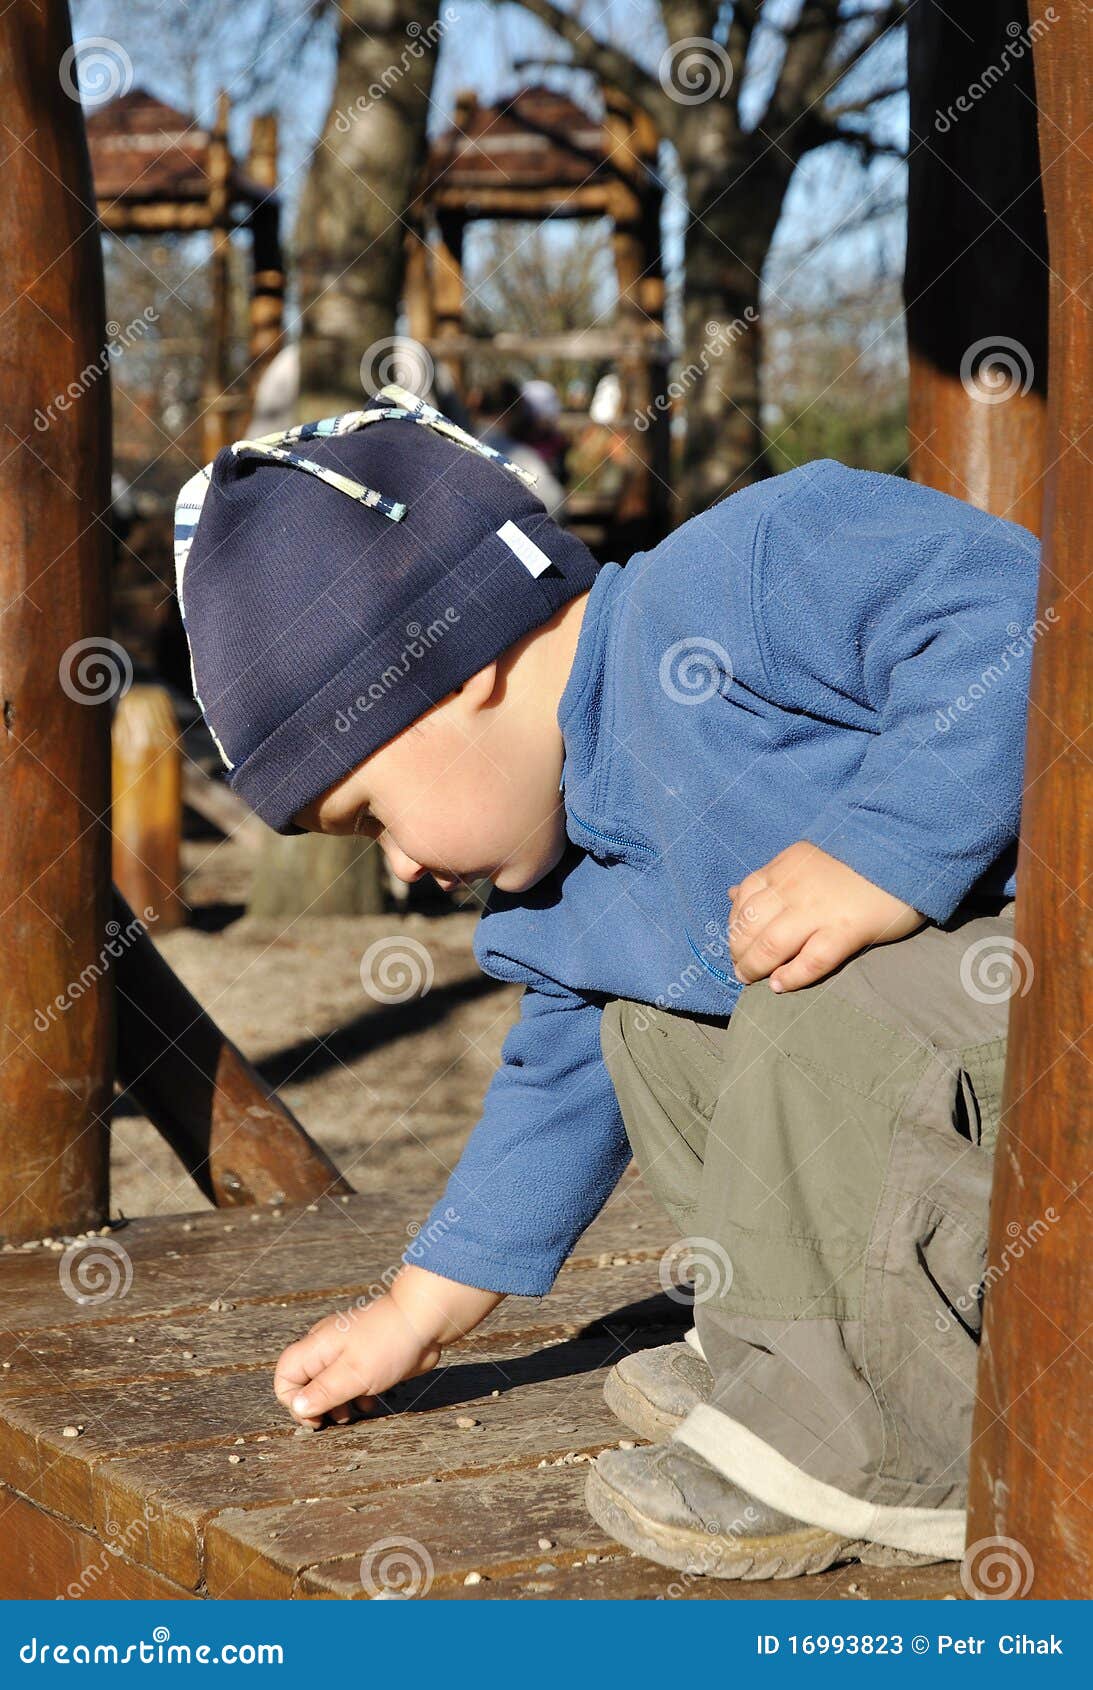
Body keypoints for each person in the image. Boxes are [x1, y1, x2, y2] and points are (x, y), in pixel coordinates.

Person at [173, 383, 1038, 1579]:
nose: (408, 865)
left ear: (456, 668)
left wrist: (884, 852)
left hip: (1048, 1063)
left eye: (372, 815)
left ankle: (882, 1448)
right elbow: (551, 1099)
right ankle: (800, 1352)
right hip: (953, 1144)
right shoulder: (562, 887)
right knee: (647, 1031)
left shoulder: (741, 575)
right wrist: (416, 1311)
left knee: (821, 1001)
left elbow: (1019, 616)